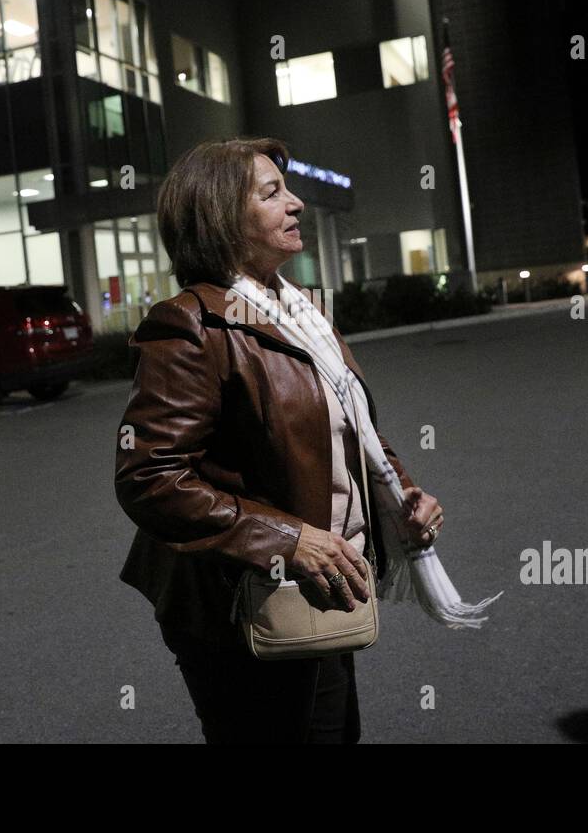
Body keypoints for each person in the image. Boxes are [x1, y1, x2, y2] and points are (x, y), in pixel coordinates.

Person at [114, 136, 446, 744]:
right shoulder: (190, 324)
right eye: (272, 193)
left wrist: (401, 494)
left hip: (315, 584)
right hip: (239, 603)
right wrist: (288, 541)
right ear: (222, 218)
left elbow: (343, 424)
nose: (295, 204)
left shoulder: (300, 312)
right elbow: (150, 478)